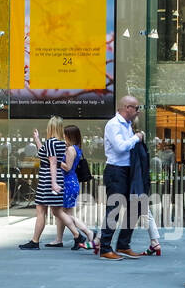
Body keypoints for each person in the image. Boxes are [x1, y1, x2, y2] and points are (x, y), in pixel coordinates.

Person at [97, 96, 147, 259]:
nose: (138, 111)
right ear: (127, 108)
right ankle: (105, 248)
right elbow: (120, 148)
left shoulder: (127, 125)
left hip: (128, 170)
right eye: (136, 108)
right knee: (115, 208)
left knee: (136, 205)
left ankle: (123, 245)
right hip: (116, 171)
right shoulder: (114, 125)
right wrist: (136, 138)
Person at [46, 124, 98, 250]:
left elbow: (68, 167)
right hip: (71, 182)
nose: (62, 136)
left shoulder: (70, 150)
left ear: (69, 135)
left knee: (63, 214)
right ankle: (59, 239)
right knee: (64, 213)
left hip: (67, 182)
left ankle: (88, 232)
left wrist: (56, 161)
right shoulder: (75, 148)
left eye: (64, 134)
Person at [19, 116, 67, 250]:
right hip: (58, 177)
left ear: (51, 127)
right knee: (58, 210)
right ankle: (61, 238)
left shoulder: (51, 142)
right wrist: (37, 139)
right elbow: (44, 153)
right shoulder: (62, 143)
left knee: (41, 209)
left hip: (48, 178)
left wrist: (53, 183)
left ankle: (35, 241)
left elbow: (51, 161)